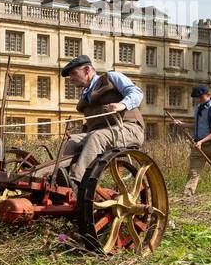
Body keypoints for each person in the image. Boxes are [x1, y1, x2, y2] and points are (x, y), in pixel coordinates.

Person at [59, 55, 146, 185]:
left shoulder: (112, 77)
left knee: (95, 136)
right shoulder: (85, 94)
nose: (70, 79)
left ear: (87, 70)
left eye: (73, 74)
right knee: (71, 141)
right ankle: (58, 179)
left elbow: (137, 93)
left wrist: (121, 104)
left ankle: (77, 183)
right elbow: (94, 121)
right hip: (101, 134)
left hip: (129, 129)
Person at [173, 85, 211, 197]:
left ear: (208, 95)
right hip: (198, 145)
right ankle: (187, 196)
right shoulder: (198, 109)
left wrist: (202, 141)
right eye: (196, 98)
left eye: (200, 97)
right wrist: (182, 124)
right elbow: (198, 126)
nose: (198, 100)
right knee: (193, 172)